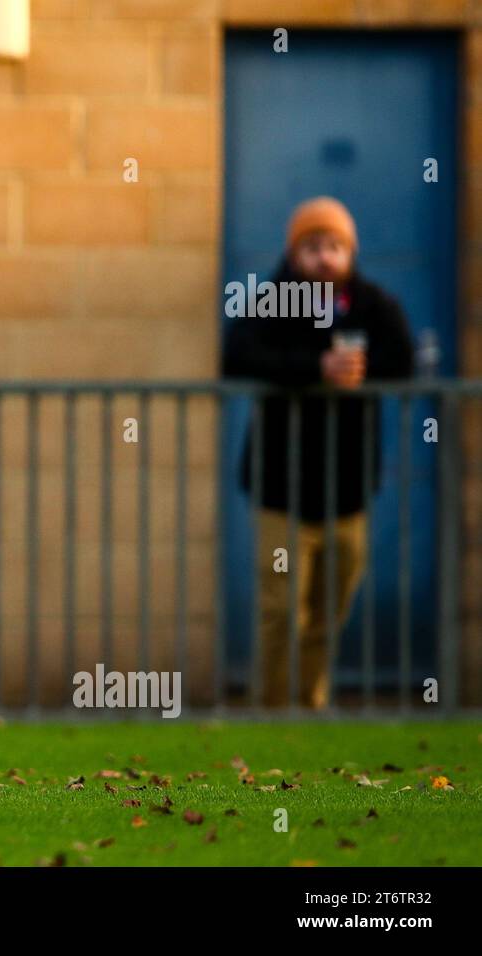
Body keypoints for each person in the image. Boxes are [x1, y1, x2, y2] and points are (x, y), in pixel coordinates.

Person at [222, 196, 413, 708]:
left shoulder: (373, 305)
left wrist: (360, 372)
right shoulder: (272, 301)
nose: (324, 258)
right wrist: (314, 369)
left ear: (350, 252)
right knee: (281, 608)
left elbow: (405, 360)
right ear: (294, 254)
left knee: (330, 611)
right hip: (280, 490)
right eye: (312, 247)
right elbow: (236, 353)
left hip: (347, 490)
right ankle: (269, 711)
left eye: (334, 246)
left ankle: (309, 705)